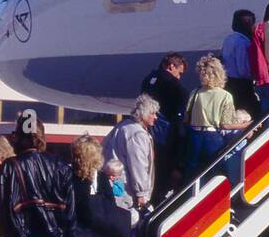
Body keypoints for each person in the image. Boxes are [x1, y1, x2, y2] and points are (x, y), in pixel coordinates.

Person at [182, 56, 251, 173]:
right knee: (215, 171)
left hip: (194, 136)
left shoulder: (195, 93)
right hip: (213, 138)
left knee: (192, 171)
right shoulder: (225, 96)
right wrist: (247, 125)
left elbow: (186, 118)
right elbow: (225, 125)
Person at [139, 52, 189, 198]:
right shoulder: (171, 83)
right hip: (164, 133)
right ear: (171, 66)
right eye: (179, 73)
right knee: (163, 170)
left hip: (148, 130)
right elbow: (184, 95)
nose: (179, 77)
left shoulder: (149, 79)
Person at [101, 96, 158, 213]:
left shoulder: (123, 125)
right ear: (143, 114)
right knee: (130, 221)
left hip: (114, 183)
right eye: (152, 113)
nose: (155, 117)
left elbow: (104, 147)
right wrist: (141, 193)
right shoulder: (138, 134)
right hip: (127, 189)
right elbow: (138, 165)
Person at [221, 9, 260, 118]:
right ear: (248, 25)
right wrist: (256, 77)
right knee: (247, 114)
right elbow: (243, 70)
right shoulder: (243, 43)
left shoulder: (228, 39)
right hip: (241, 85)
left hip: (228, 82)